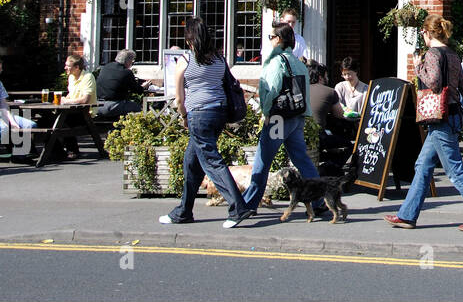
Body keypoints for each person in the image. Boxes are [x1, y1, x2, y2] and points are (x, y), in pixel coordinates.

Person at [385, 14, 463, 232]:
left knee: (454, 170)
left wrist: (418, 67)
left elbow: (433, 83)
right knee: (422, 166)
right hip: (451, 116)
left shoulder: (432, 54)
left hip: (440, 118)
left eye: (422, 33)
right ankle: (407, 215)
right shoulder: (453, 56)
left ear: (426, 32)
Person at [159, 17, 250, 226]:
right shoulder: (219, 58)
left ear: (189, 37)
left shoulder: (185, 60)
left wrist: (183, 117)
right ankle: (183, 211)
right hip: (219, 112)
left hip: (198, 114)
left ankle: (238, 207)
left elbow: (179, 99)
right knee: (191, 162)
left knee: (211, 161)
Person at [237, 22, 328, 225]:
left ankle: (248, 204)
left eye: (270, 37)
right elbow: (304, 91)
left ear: (278, 39)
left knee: (263, 160)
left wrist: (267, 112)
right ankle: (319, 198)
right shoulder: (298, 62)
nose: (269, 40)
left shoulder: (277, 62)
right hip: (296, 118)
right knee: (302, 160)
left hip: (278, 118)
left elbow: (273, 88)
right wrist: (304, 114)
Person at [95, 49, 146, 119]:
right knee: (140, 108)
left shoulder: (106, 67)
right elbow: (137, 90)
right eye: (132, 61)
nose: (132, 63)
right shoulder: (126, 72)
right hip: (113, 106)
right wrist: (144, 87)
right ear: (128, 60)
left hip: (98, 105)